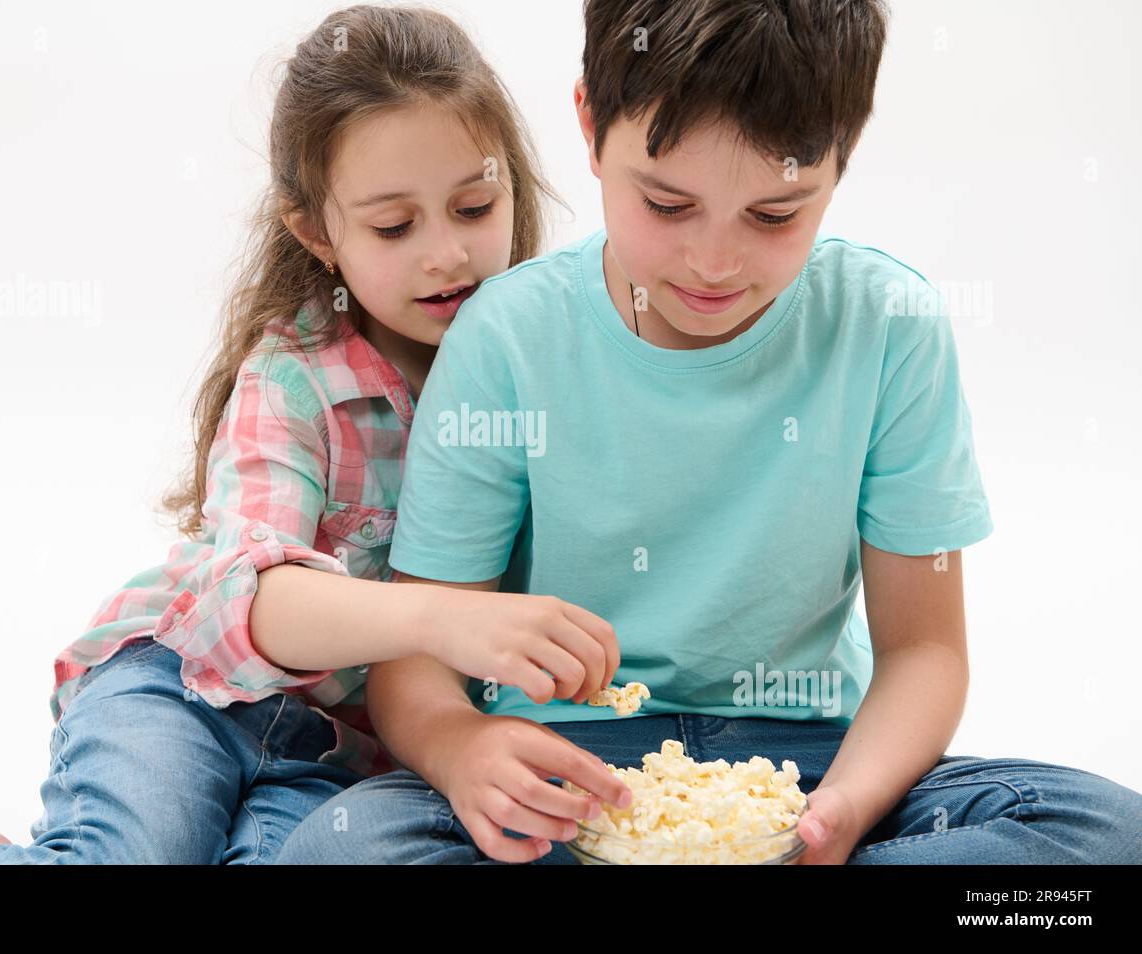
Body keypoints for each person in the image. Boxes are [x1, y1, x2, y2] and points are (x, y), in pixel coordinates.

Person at [274, 0, 1142, 865]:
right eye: (667, 203)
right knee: (340, 851)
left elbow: (923, 650)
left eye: (775, 215)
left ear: (844, 158)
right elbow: (417, 662)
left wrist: (843, 812)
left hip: (810, 764)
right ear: (590, 124)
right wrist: (465, 750)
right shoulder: (506, 336)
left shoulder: (888, 324)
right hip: (567, 775)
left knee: (1102, 832)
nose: (715, 263)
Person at [0, 3, 618, 866]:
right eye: (394, 227)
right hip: (182, 692)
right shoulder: (295, 376)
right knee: (132, 856)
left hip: (335, 754)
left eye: (475, 206)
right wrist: (444, 621)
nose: (447, 253)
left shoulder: (530, 368)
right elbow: (255, 594)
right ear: (317, 234)